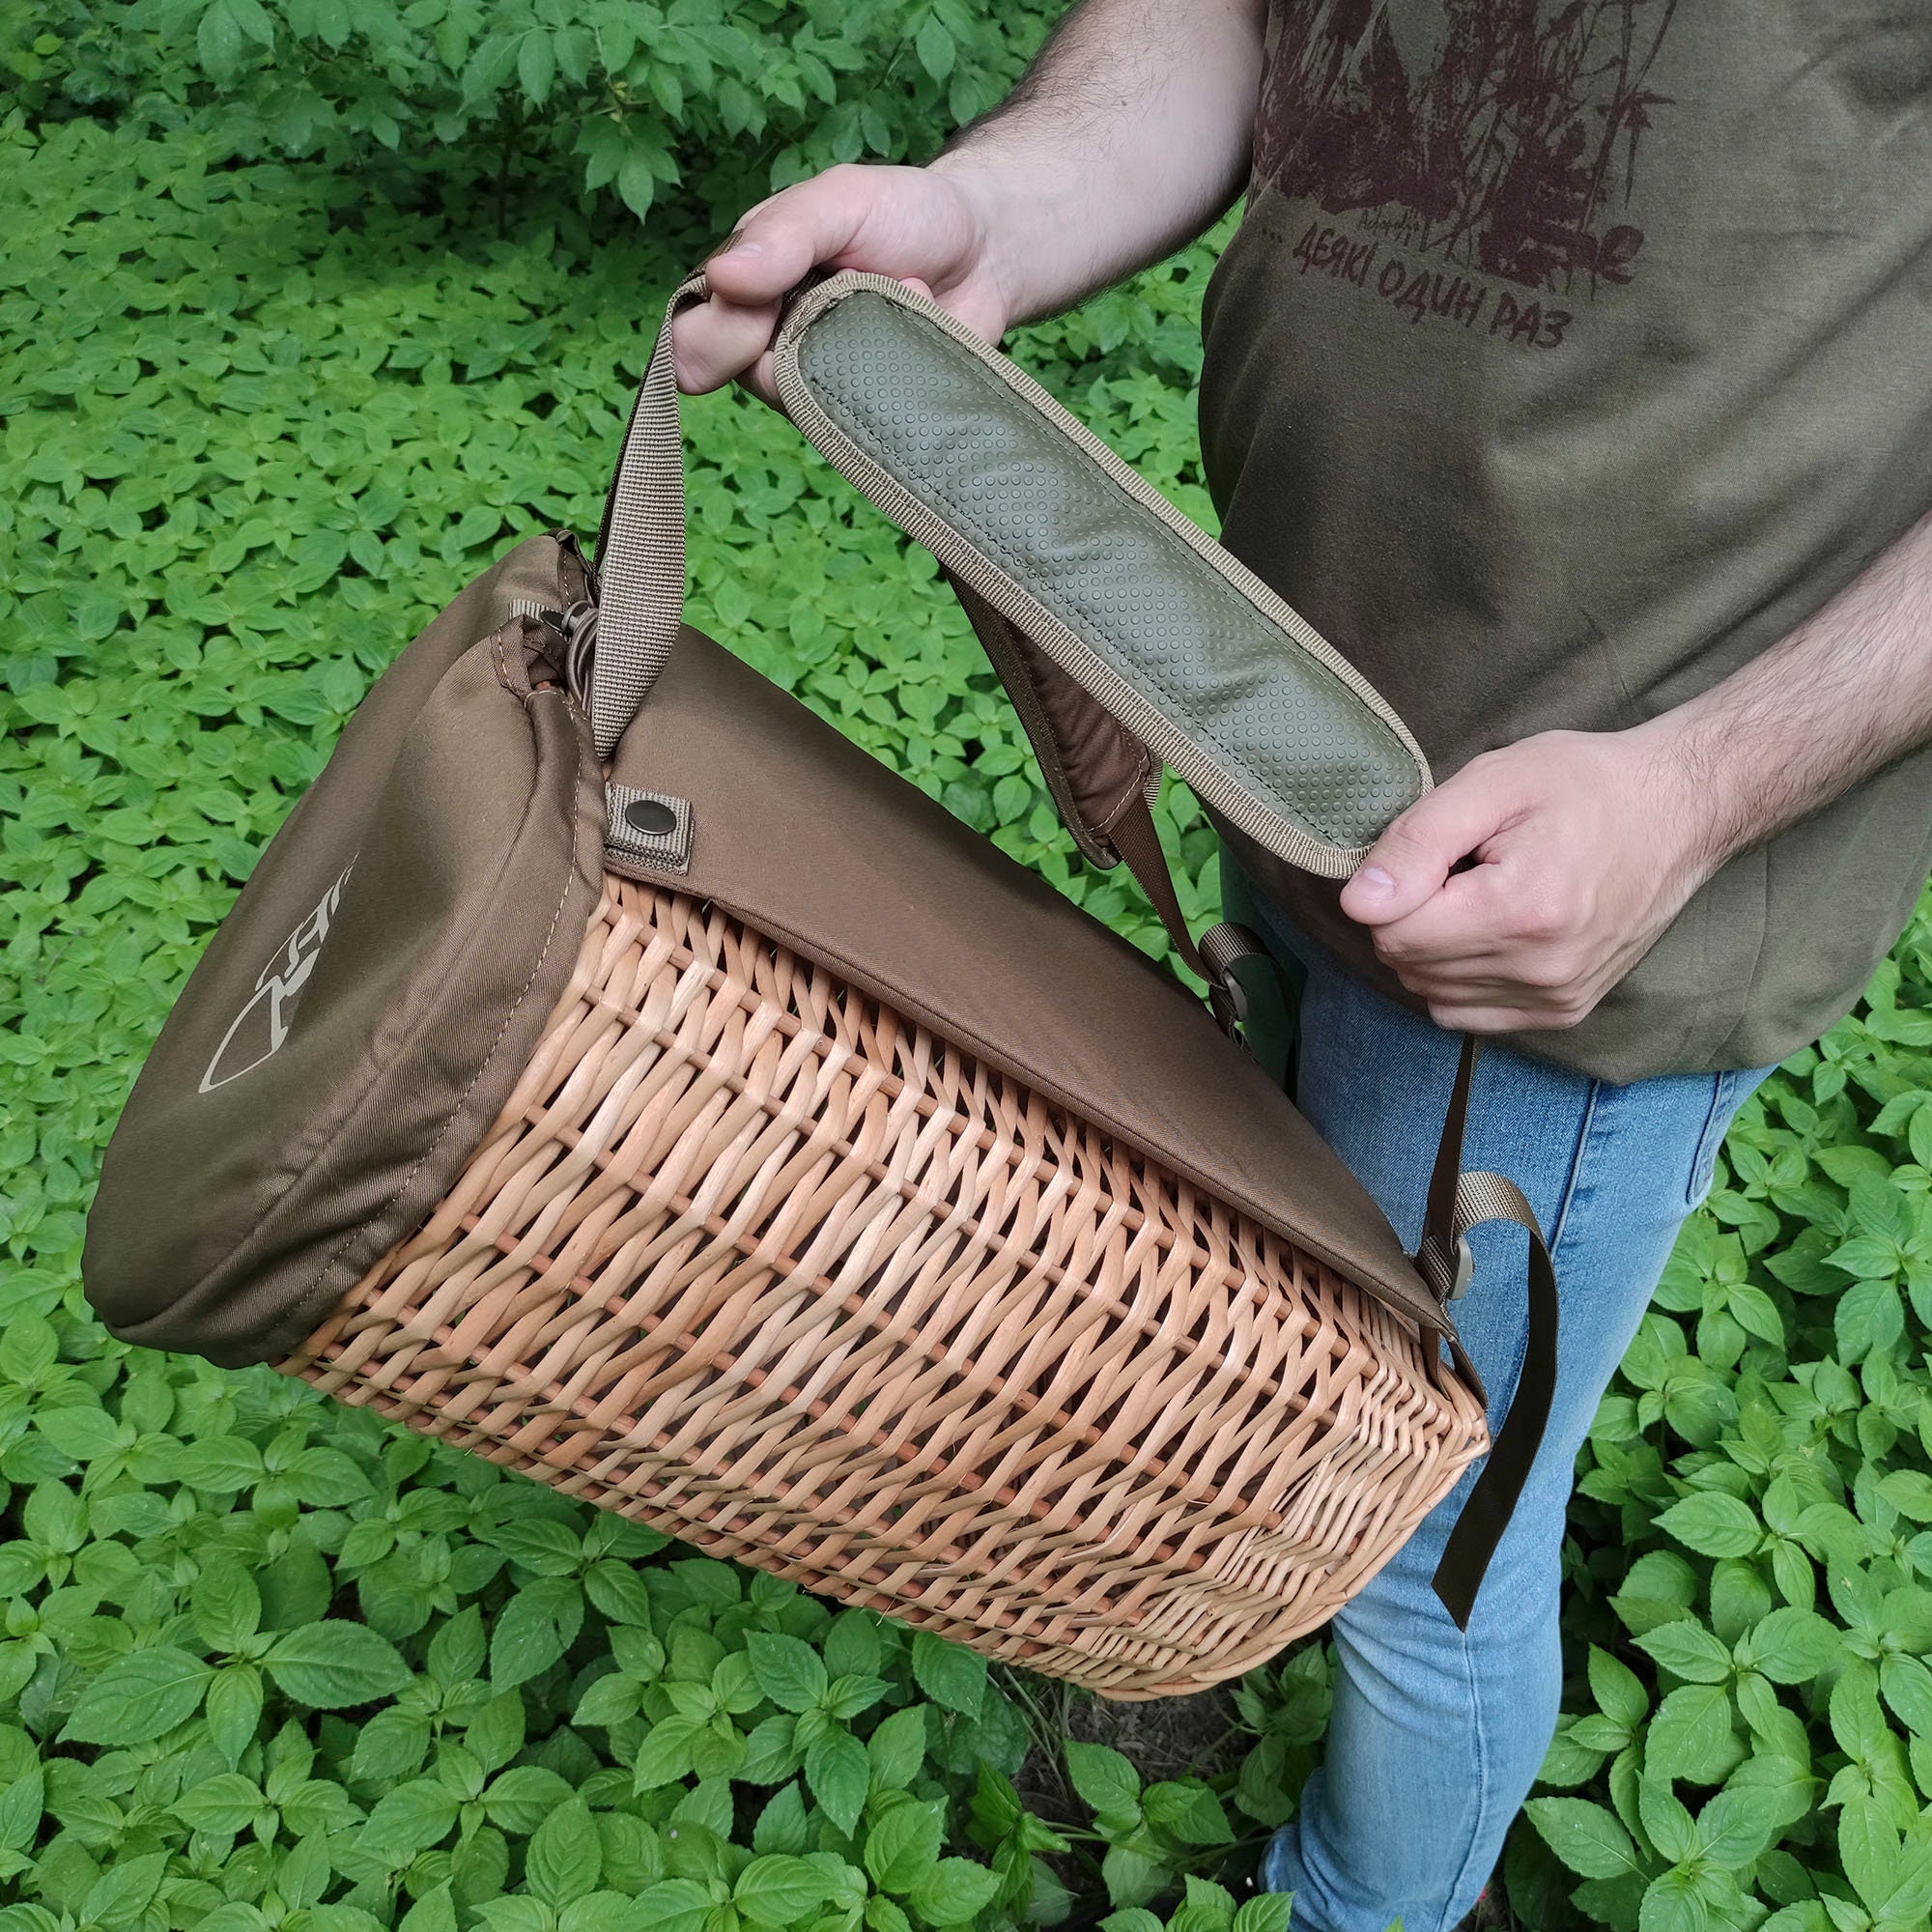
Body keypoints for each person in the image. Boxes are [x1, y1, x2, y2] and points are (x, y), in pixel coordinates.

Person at [670, 5, 1932, 1928]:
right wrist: (985, 207)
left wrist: (1693, 789)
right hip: (1278, 727)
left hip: (1567, 931)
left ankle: (1365, 1903)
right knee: (1299, 1326)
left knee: (1430, 1540)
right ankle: (1255, 1550)